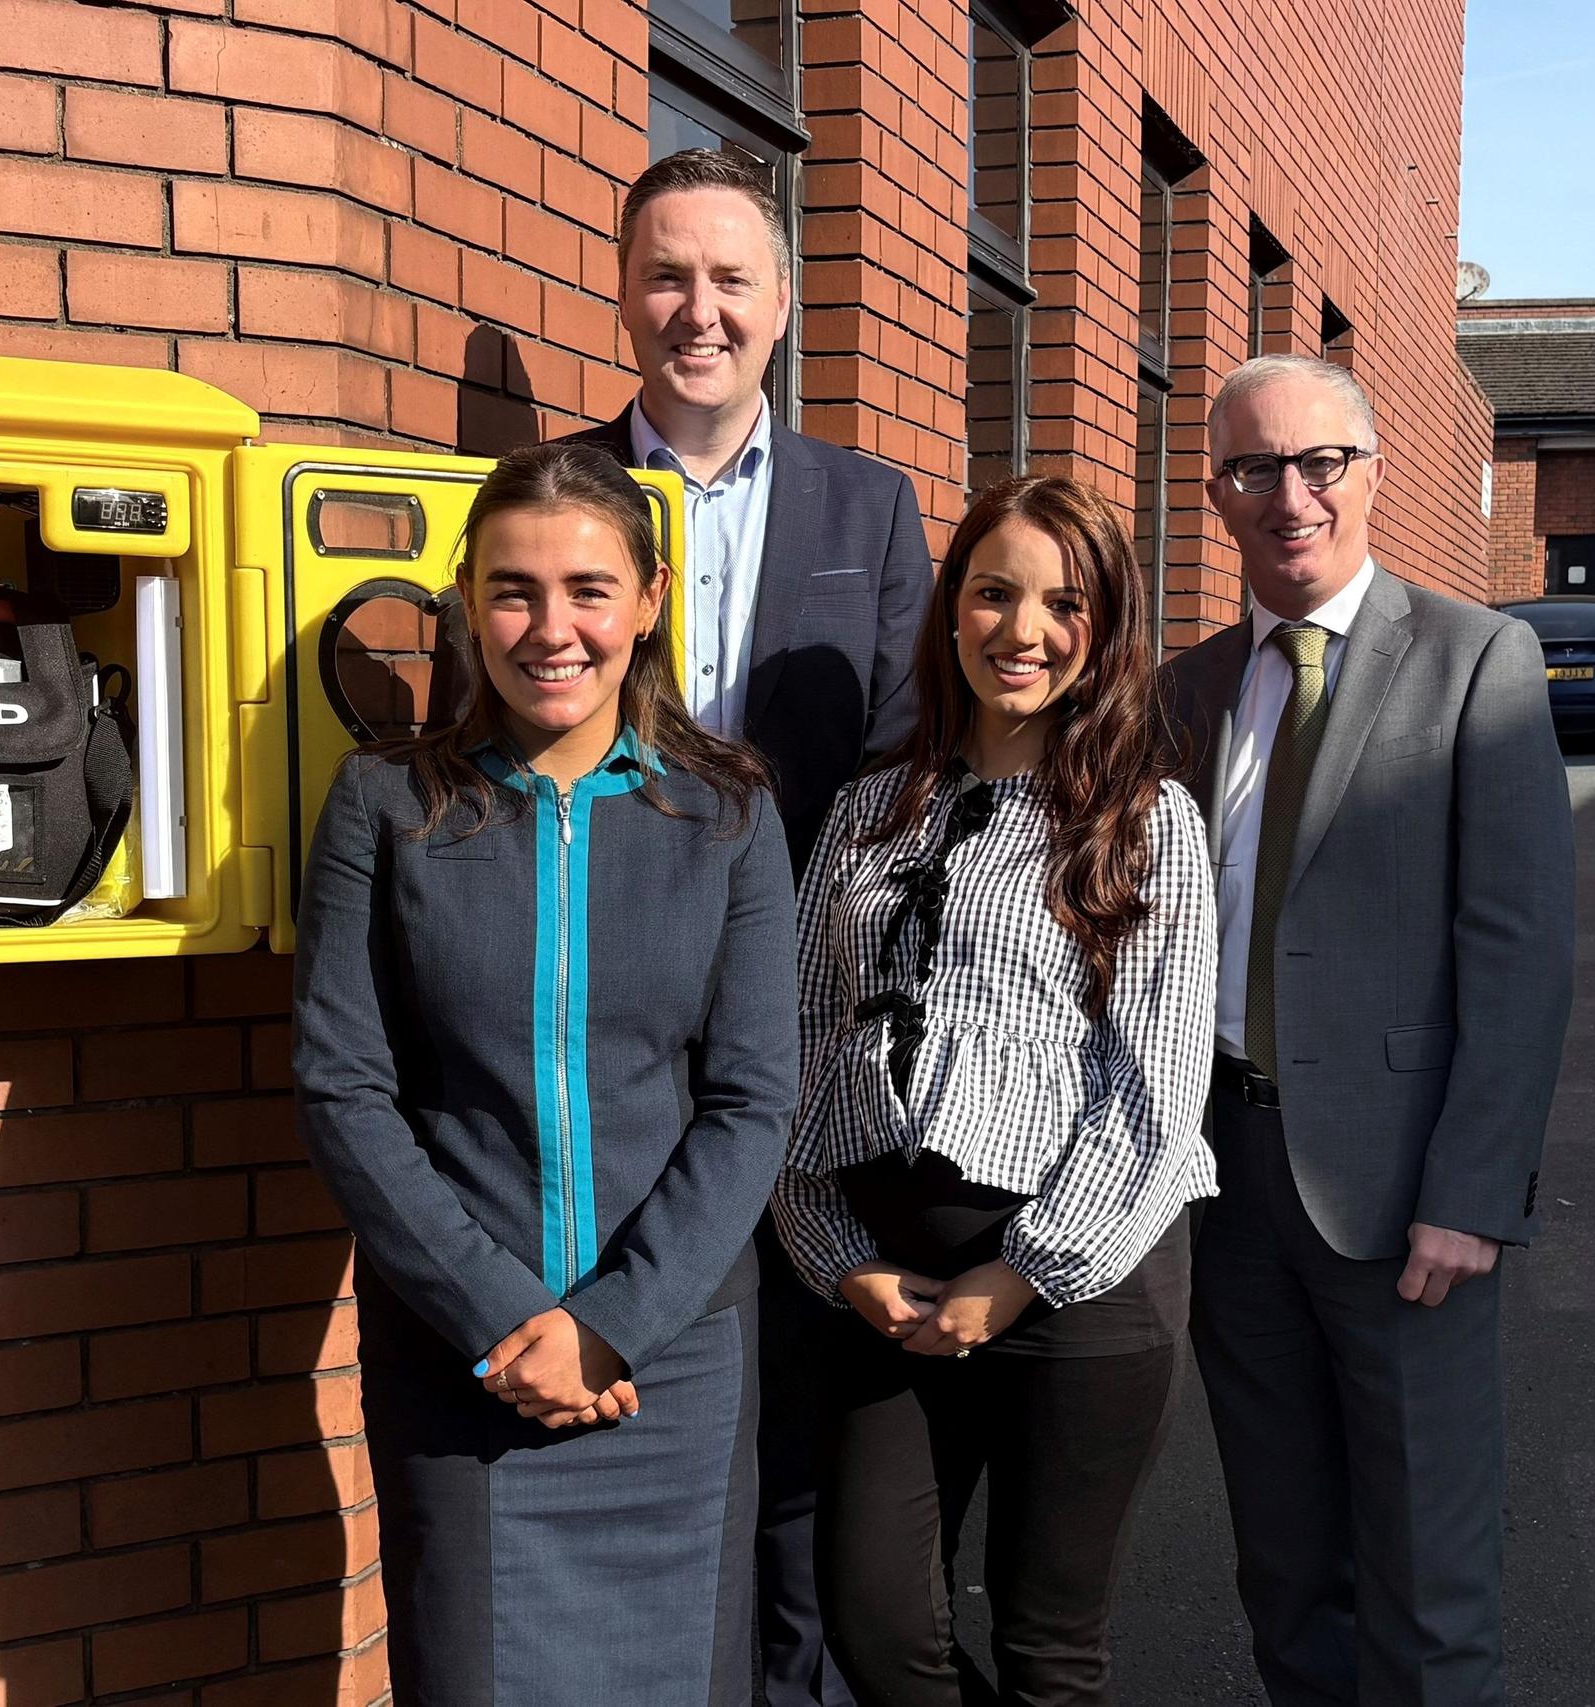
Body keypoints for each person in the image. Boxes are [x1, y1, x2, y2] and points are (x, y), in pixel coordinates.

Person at [292, 442, 800, 1705]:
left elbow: (752, 1100)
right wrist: (499, 1321)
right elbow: (343, 1087)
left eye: (586, 587)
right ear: (468, 600)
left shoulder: (728, 814)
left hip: (669, 1361)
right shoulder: (384, 804)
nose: (550, 627)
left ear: (649, 597)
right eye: (513, 590)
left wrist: (609, 1323)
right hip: (464, 1358)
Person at [560, 147, 932, 1706]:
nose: (695, 311)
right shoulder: (558, 496)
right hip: (617, 1026)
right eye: (666, 276)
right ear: (626, 292)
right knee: (647, 1380)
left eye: (729, 280)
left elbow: (915, 759)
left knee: (804, 1423)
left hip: (813, 1021)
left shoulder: (871, 504)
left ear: (782, 305)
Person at [1162, 355, 1575, 1706]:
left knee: (1428, 1577)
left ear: (1371, 469)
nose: (1288, 495)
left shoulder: (1477, 658)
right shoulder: (1191, 689)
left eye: (1317, 462)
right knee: (1284, 1567)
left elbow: (1518, 951)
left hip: (1405, 1197)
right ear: (1217, 491)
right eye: (1251, 468)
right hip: (1231, 1177)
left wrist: (1473, 1190)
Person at [776, 474, 1219, 1705]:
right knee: (872, 1624)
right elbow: (803, 1035)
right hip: (887, 1277)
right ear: (949, 611)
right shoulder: (868, 813)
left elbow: (1154, 1083)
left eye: (1060, 604)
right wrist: (831, 1251)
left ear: (1104, 630)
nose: (1019, 632)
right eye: (991, 594)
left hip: (1083, 1287)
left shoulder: (1145, 821)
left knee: (1045, 1651)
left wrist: (1019, 1276)